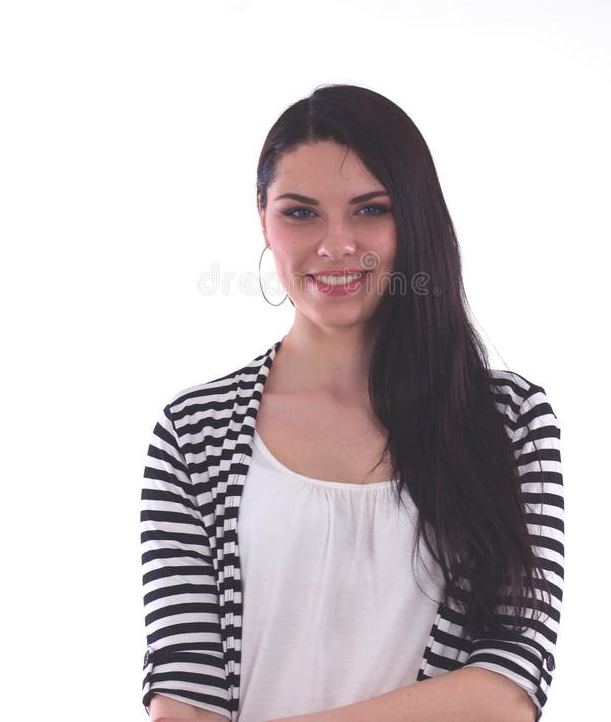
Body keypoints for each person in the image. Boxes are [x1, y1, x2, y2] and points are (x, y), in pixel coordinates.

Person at [140, 84, 564, 722]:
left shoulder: (509, 422)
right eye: (301, 213)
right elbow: (183, 696)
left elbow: (507, 689)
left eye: (369, 210)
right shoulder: (193, 432)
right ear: (263, 219)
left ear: (414, 218)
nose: (336, 245)